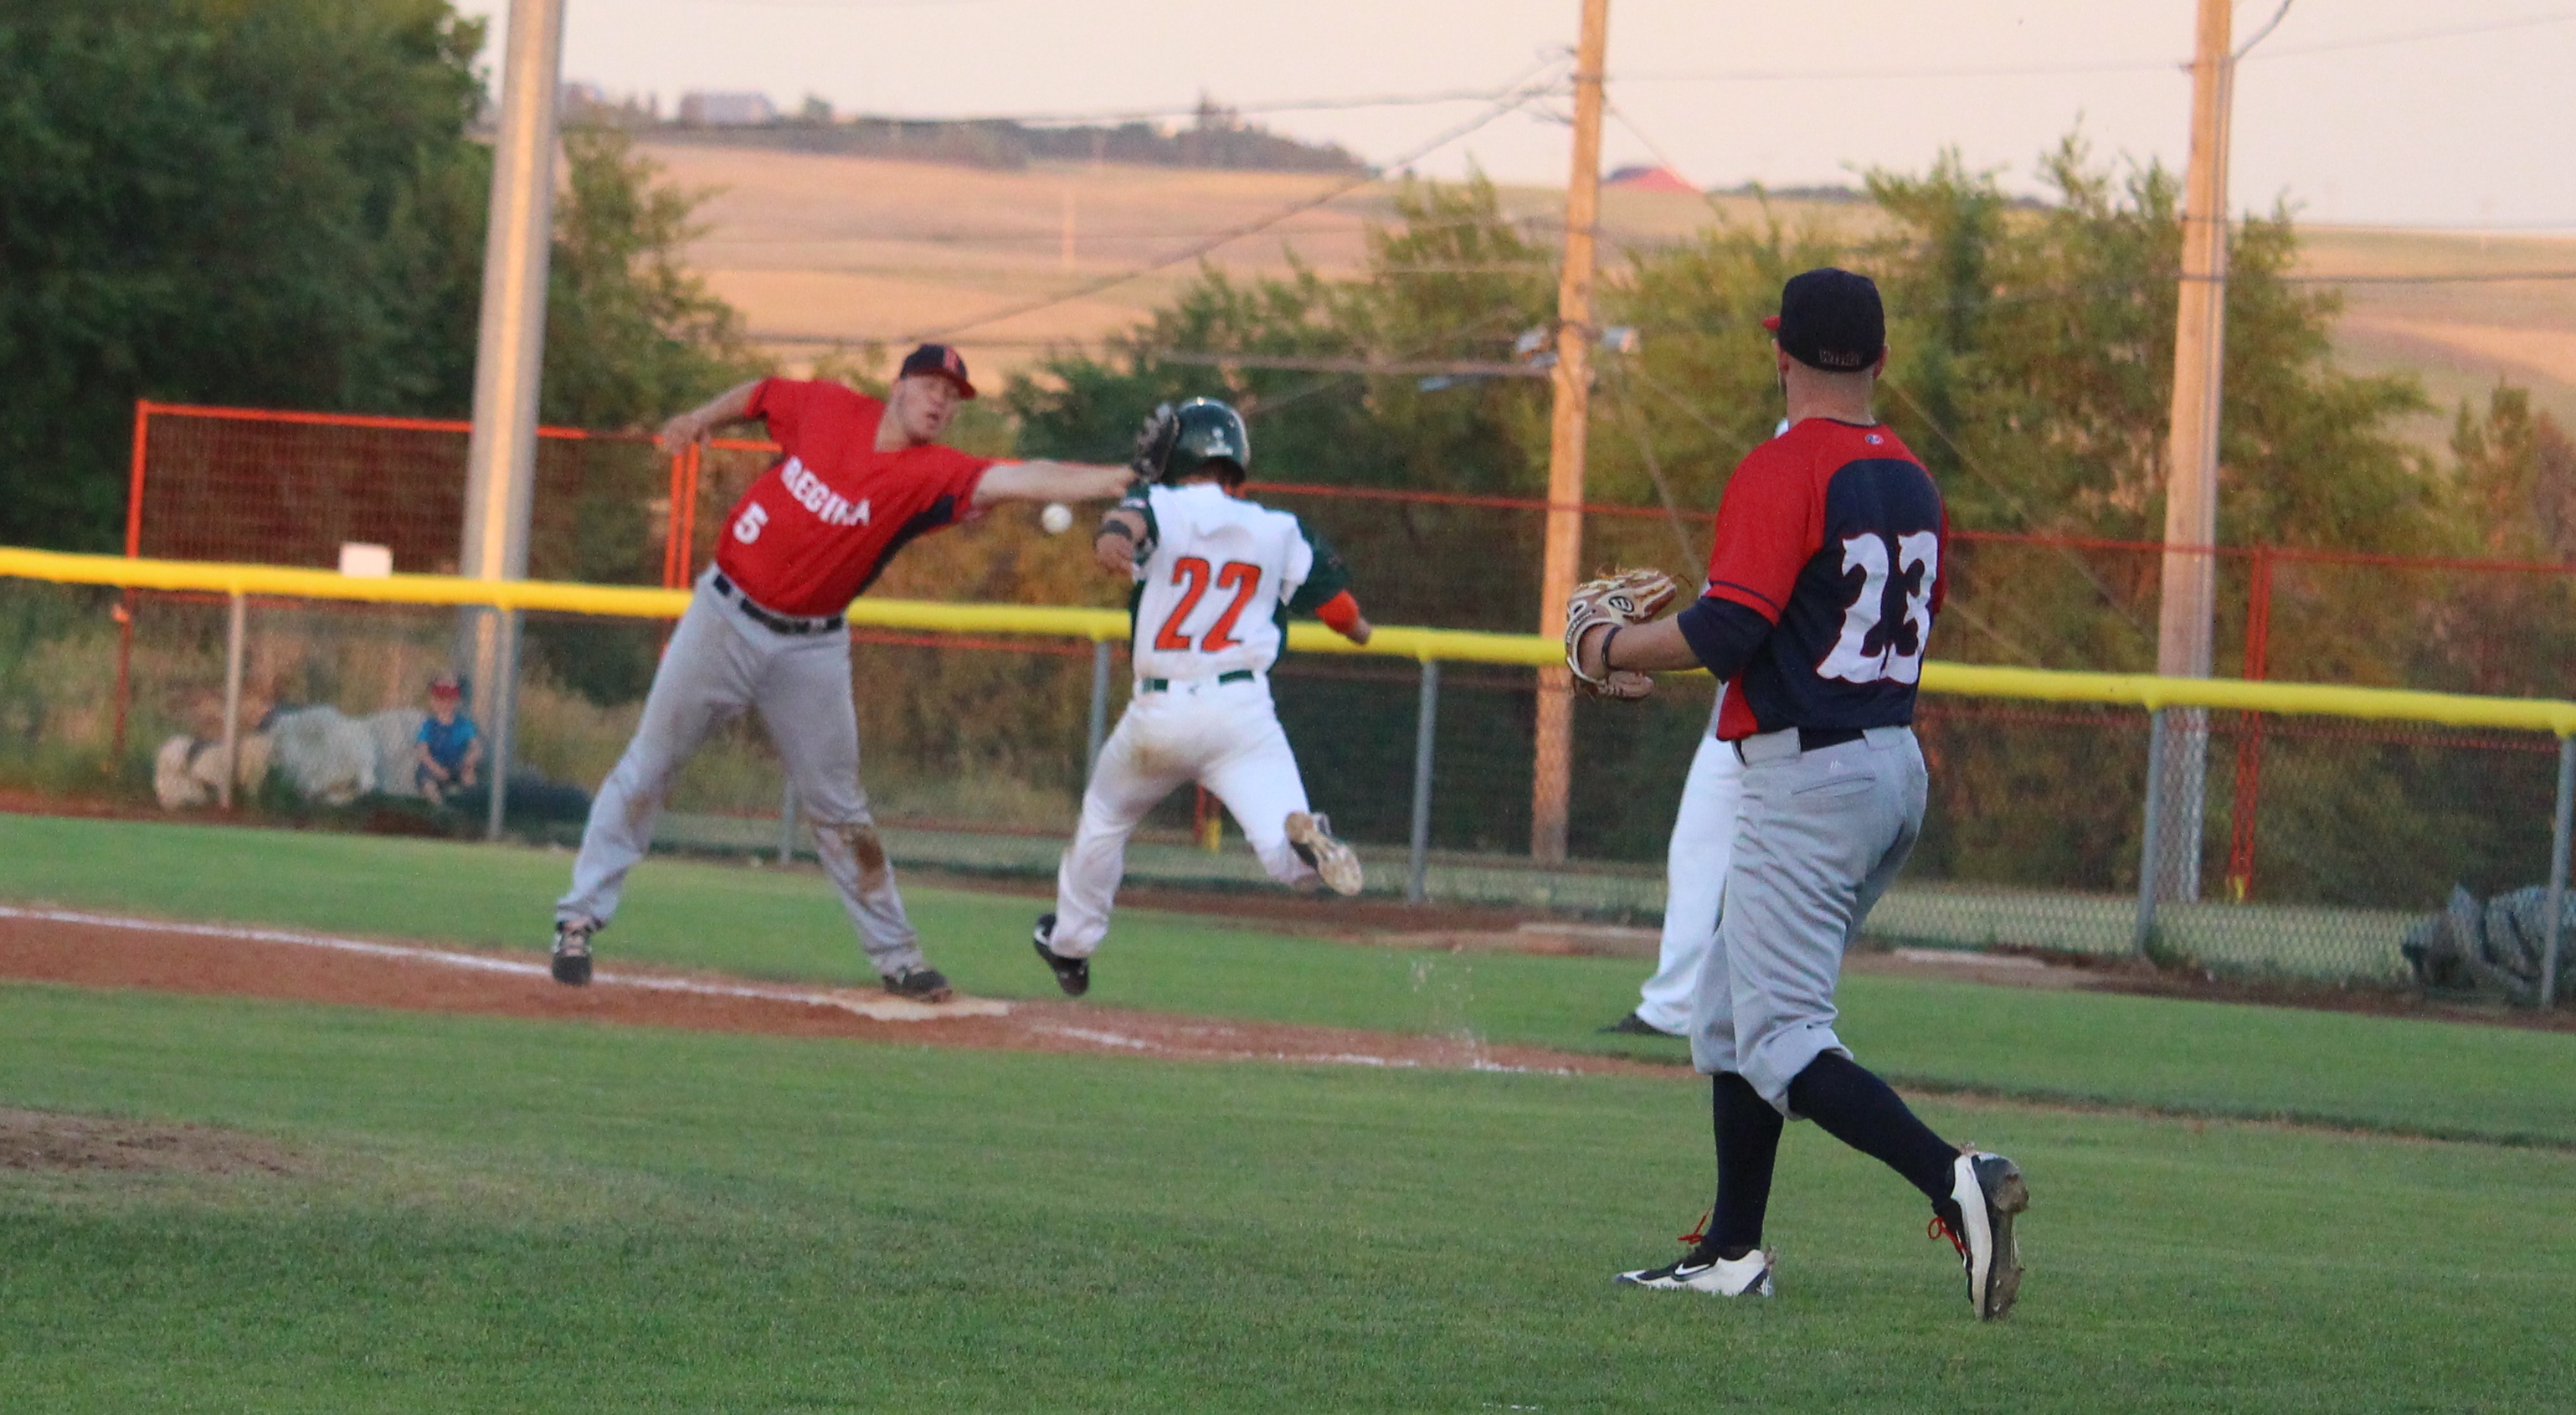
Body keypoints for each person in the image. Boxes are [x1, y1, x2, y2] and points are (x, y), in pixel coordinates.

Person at [1571, 270, 2029, 1320]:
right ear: (1877, 361)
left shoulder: (1783, 467)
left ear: (1780, 355)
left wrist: (1604, 646)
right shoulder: (1911, 476)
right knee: (1731, 1014)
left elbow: (1727, 630)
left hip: (1808, 774)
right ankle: (1732, 1250)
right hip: (1888, 765)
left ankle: (1952, 1179)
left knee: (1782, 1034)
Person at [550, 344, 1132, 997]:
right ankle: (577, 918)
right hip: (722, 615)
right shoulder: (828, 407)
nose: (940, 401)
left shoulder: (932, 474)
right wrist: (699, 416)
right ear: (899, 385)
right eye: (930, 385)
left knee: (840, 810)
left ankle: (898, 957)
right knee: (648, 767)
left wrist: (1117, 477)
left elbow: (1028, 477)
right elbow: (758, 395)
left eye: (952, 395)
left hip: (810, 649)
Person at [1031, 399, 1373, 998]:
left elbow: (1129, 524)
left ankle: (1071, 945)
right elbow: (1340, 610)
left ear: (1176, 453)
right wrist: (1360, 632)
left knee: (1106, 820)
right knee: (1284, 860)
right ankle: (1306, 841)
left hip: (1161, 713)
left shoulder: (1159, 503)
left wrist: (1114, 536)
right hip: (1242, 714)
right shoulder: (1279, 528)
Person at [1600, 692, 1740, 1037]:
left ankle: (1784, 1014)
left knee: (1788, 875)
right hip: (1730, 727)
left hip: (1811, 739)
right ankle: (1672, 1007)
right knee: (1693, 854)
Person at [414, 672, 483, 806]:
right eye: (440, 699)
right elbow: (423, 753)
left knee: (469, 775)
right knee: (428, 782)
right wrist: (436, 769)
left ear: (457, 702)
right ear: (433, 701)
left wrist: (470, 758)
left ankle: (471, 805)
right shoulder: (429, 725)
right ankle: (439, 806)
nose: (445, 704)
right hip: (434, 767)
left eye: (450, 700)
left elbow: (477, 747)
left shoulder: (464, 724)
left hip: (456, 765)